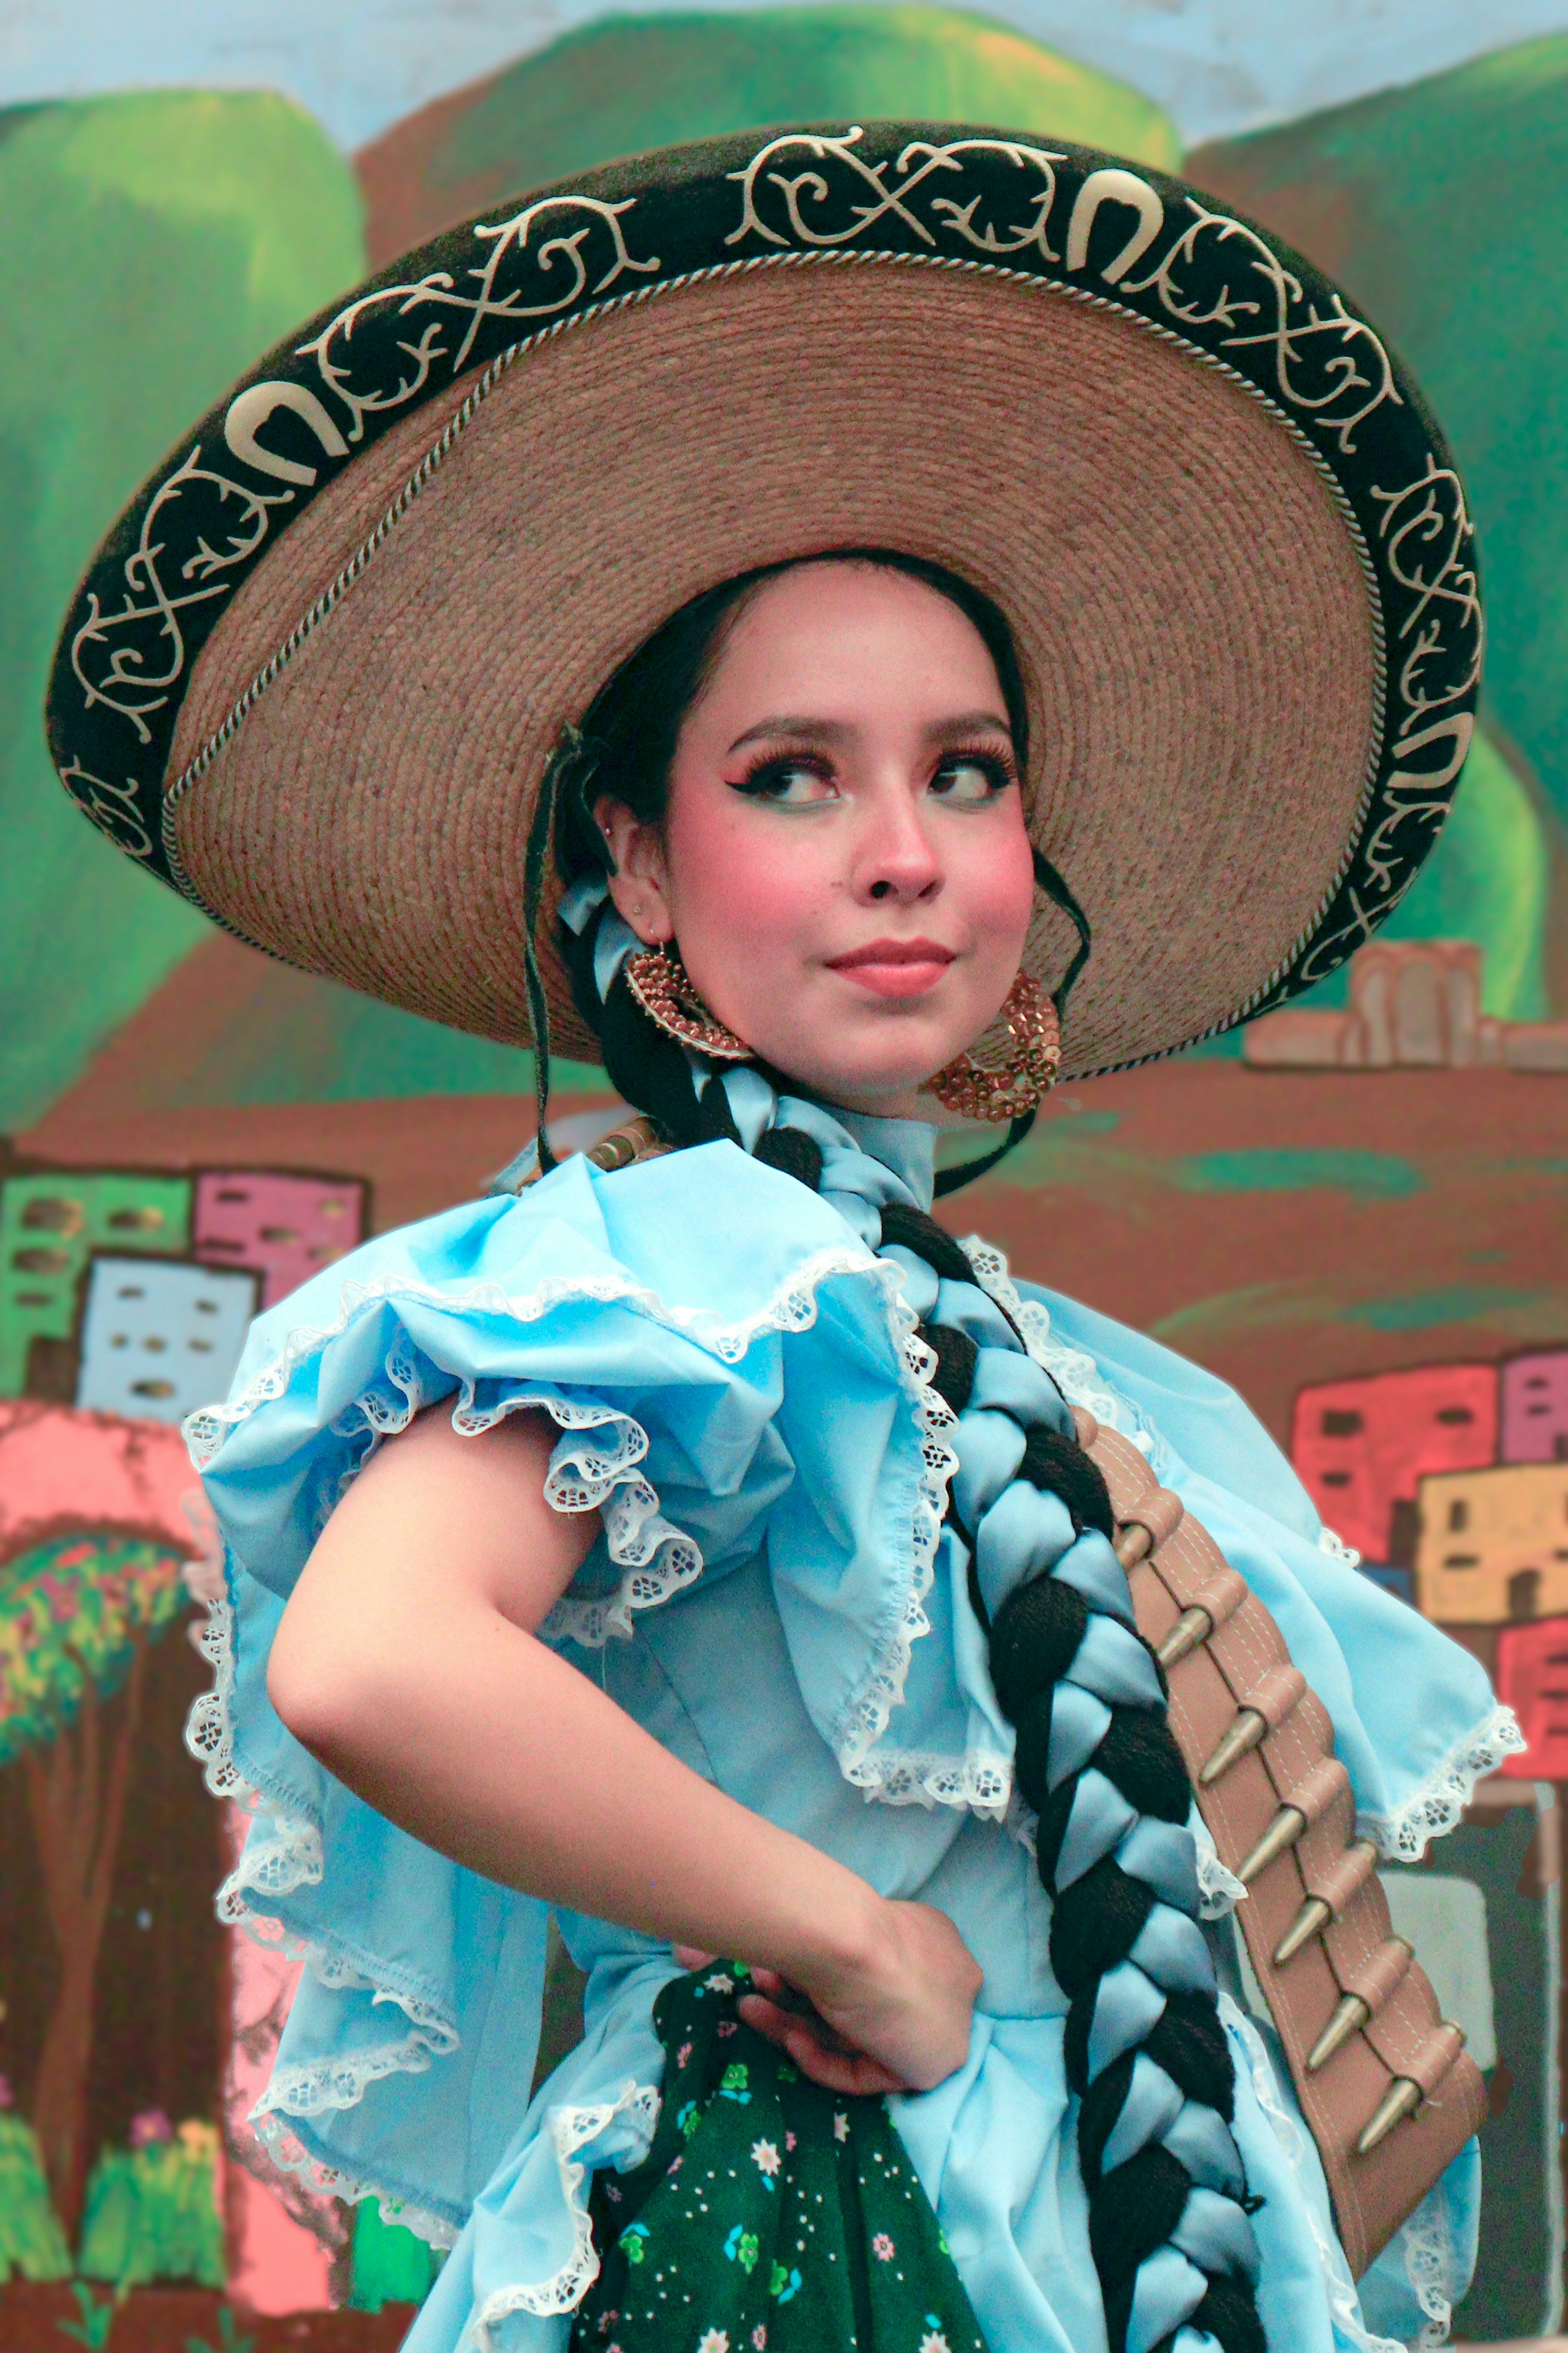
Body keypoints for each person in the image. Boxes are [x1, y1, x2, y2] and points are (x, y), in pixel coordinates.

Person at [48, 124, 1514, 2353]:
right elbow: (374, 1657)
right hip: (836, 2228)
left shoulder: (1033, 1354)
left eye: (964, 769)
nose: (902, 851)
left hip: (1113, 2215)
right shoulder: (680, 1269)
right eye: (792, 776)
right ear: (636, 869)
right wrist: (847, 1935)